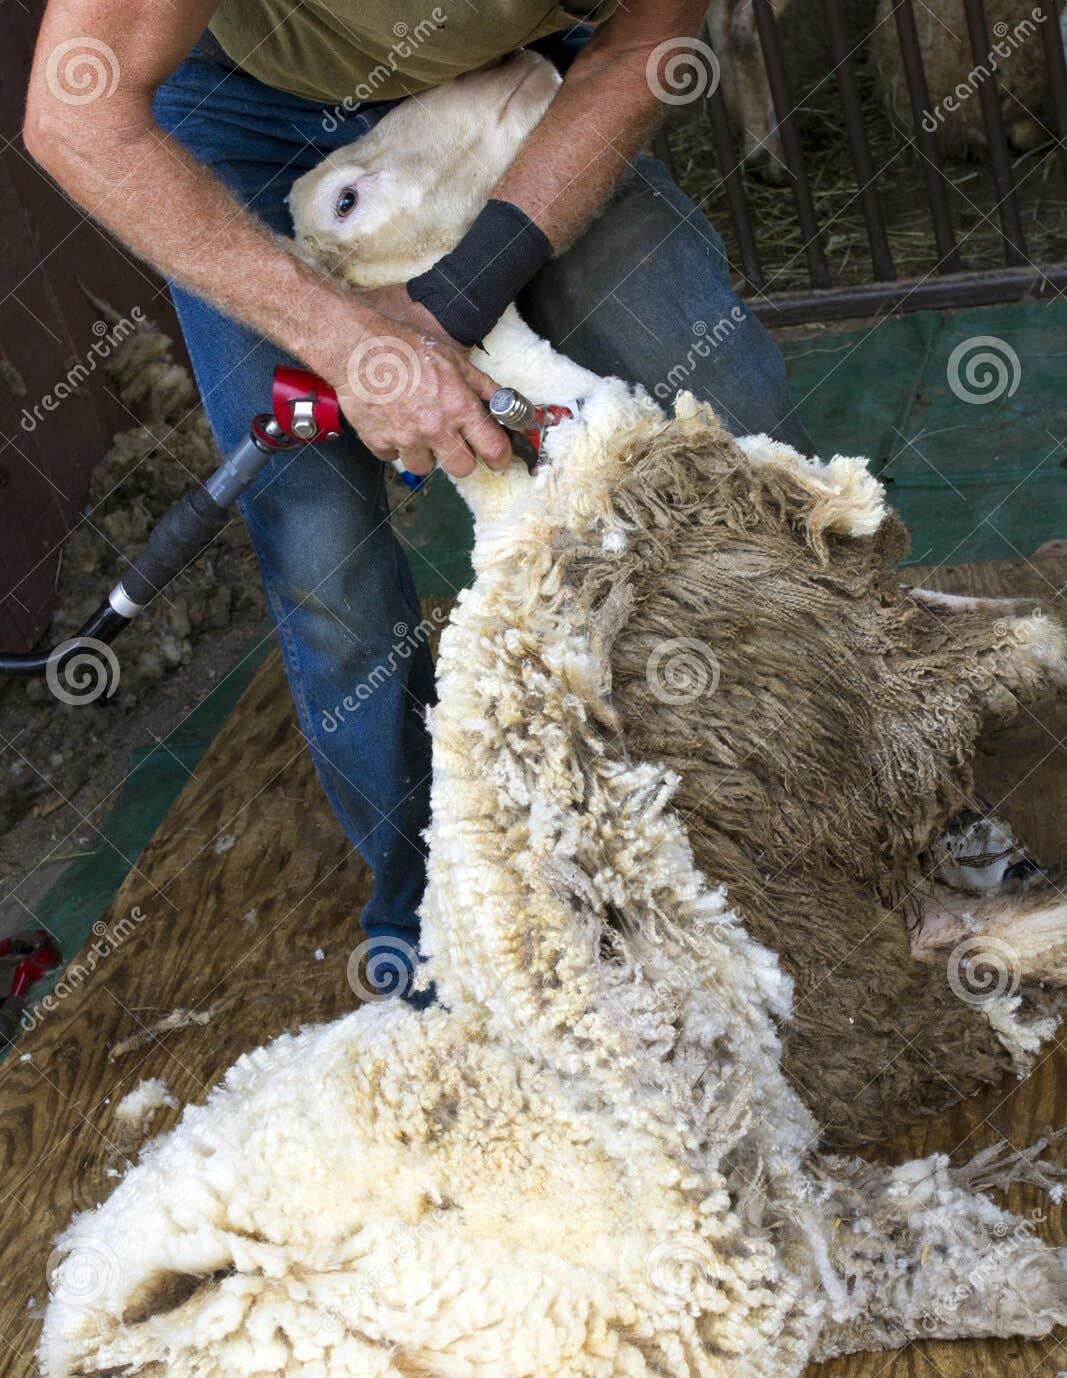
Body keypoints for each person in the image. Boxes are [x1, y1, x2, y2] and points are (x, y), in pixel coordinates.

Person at [26, 1, 809, 997]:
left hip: (494, 84)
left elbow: (644, 44)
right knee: (326, 562)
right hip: (244, 111)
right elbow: (75, 115)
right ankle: (444, 919)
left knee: (738, 413)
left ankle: (839, 796)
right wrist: (351, 345)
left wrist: (452, 299)